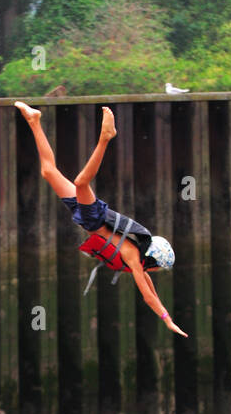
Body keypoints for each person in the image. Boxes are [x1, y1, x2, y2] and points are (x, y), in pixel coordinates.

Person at [15, 101, 187, 337]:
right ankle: (106, 138)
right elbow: (147, 296)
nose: (156, 272)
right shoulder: (133, 257)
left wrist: (164, 309)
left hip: (84, 218)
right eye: (160, 268)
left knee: (48, 171)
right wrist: (167, 320)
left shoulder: (138, 261)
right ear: (154, 260)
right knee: (81, 182)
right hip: (93, 220)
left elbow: (150, 289)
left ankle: (34, 120)